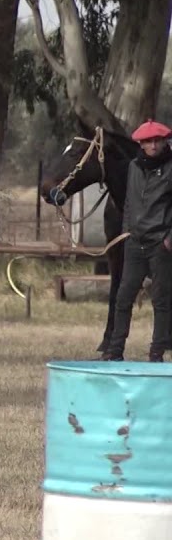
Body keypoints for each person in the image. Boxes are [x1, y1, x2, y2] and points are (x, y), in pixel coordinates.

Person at [101, 120, 172, 362]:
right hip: (135, 242)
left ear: (164, 142)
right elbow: (129, 204)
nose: (153, 145)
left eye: (157, 141)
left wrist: (169, 240)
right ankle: (115, 349)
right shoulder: (133, 167)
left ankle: (156, 353)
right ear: (140, 144)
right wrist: (126, 232)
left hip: (160, 243)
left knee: (161, 299)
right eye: (148, 141)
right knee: (124, 297)